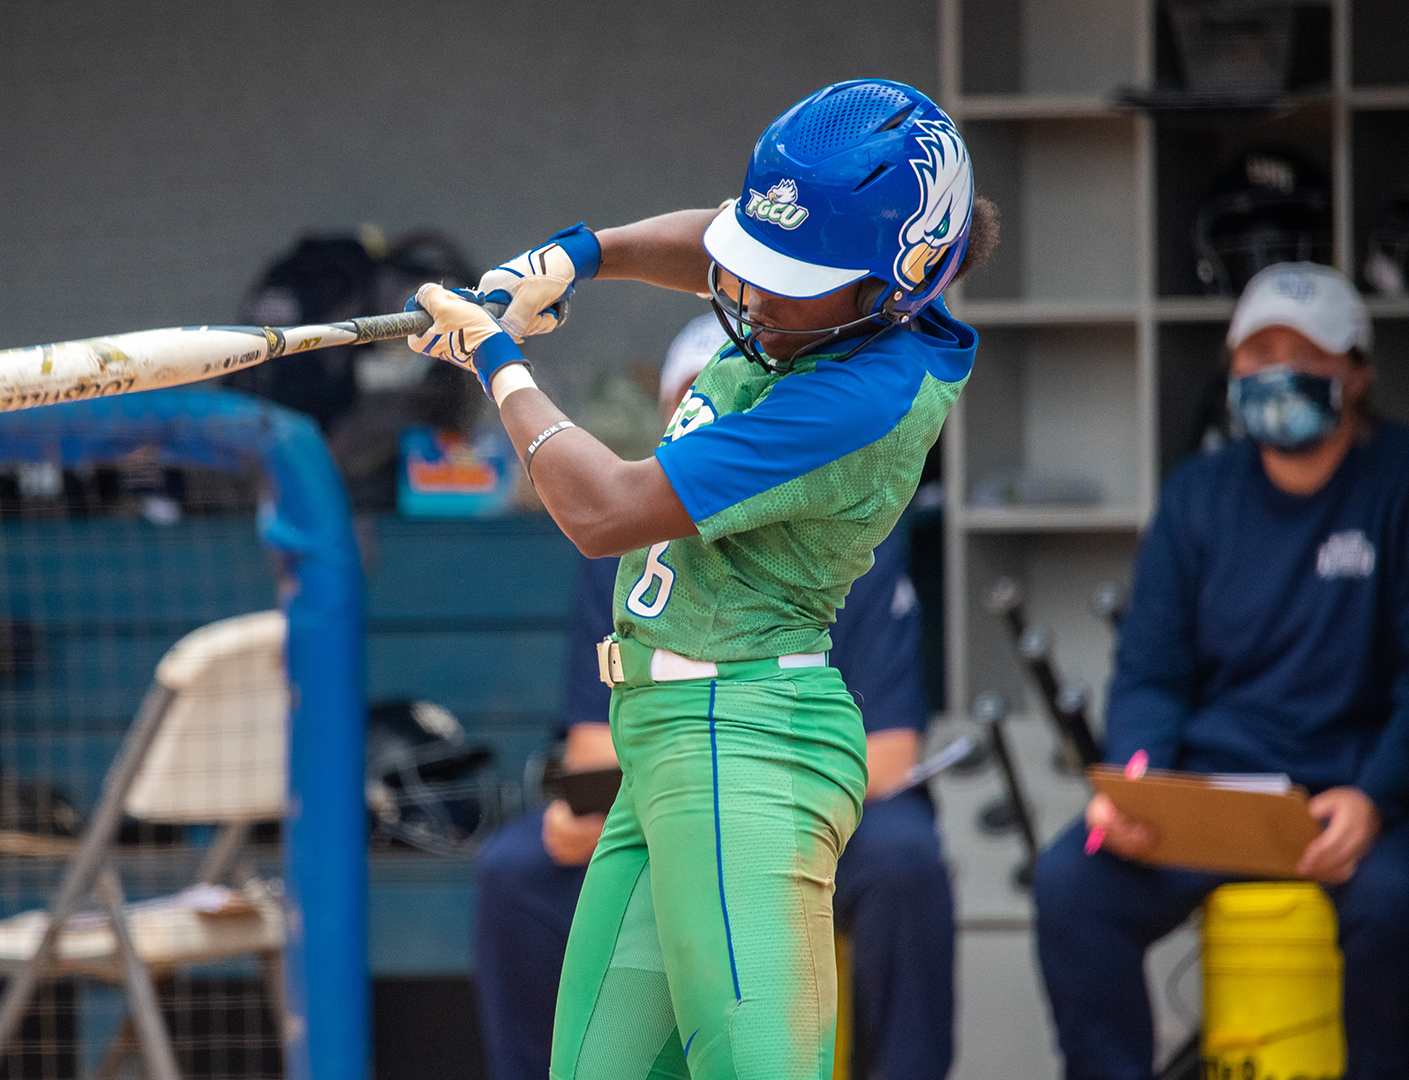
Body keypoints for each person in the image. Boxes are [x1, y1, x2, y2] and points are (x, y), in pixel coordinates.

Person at [407, 78, 991, 1080]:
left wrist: (499, 364)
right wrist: (574, 257)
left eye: (791, 275)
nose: (751, 292)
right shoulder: (839, 294)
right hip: (664, 748)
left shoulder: (867, 395)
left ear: (898, 281)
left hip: (747, 745)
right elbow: (715, 238)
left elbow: (602, 512)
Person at [473, 316, 956, 1080]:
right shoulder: (636, 528)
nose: (707, 426)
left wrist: (498, 357)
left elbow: (892, 749)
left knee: (903, 864)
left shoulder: (830, 509)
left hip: (780, 777)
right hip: (660, 772)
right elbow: (591, 743)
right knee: (523, 879)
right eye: (693, 406)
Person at [1031, 262, 1409, 1080]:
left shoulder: (1399, 484)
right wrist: (1135, 781)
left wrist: (1377, 797)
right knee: (1071, 885)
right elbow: (1152, 671)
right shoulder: (1197, 495)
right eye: (1256, 351)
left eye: (1303, 353)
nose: (1274, 371)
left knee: (1394, 907)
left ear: (1357, 371)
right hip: (1217, 791)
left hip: (1354, 797)